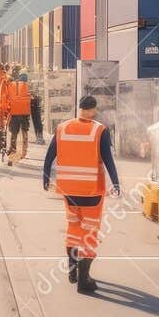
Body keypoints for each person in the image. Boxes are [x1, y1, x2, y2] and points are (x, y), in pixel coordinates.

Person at [42, 95, 121, 294]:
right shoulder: (99, 130)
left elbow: (50, 155)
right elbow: (108, 159)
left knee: (73, 229)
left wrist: (45, 178)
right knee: (89, 234)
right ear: (93, 109)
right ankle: (84, 281)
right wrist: (116, 183)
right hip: (91, 192)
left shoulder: (63, 128)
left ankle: (72, 272)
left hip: (69, 192)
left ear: (79, 108)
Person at [3, 71, 32, 165]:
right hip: (24, 114)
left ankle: (12, 152)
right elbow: (31, 98)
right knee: (24, 133)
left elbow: (7, 97)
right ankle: (23, 153)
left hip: (14, 114)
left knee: (14, 134)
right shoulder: (28, 87)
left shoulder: (12, 86)